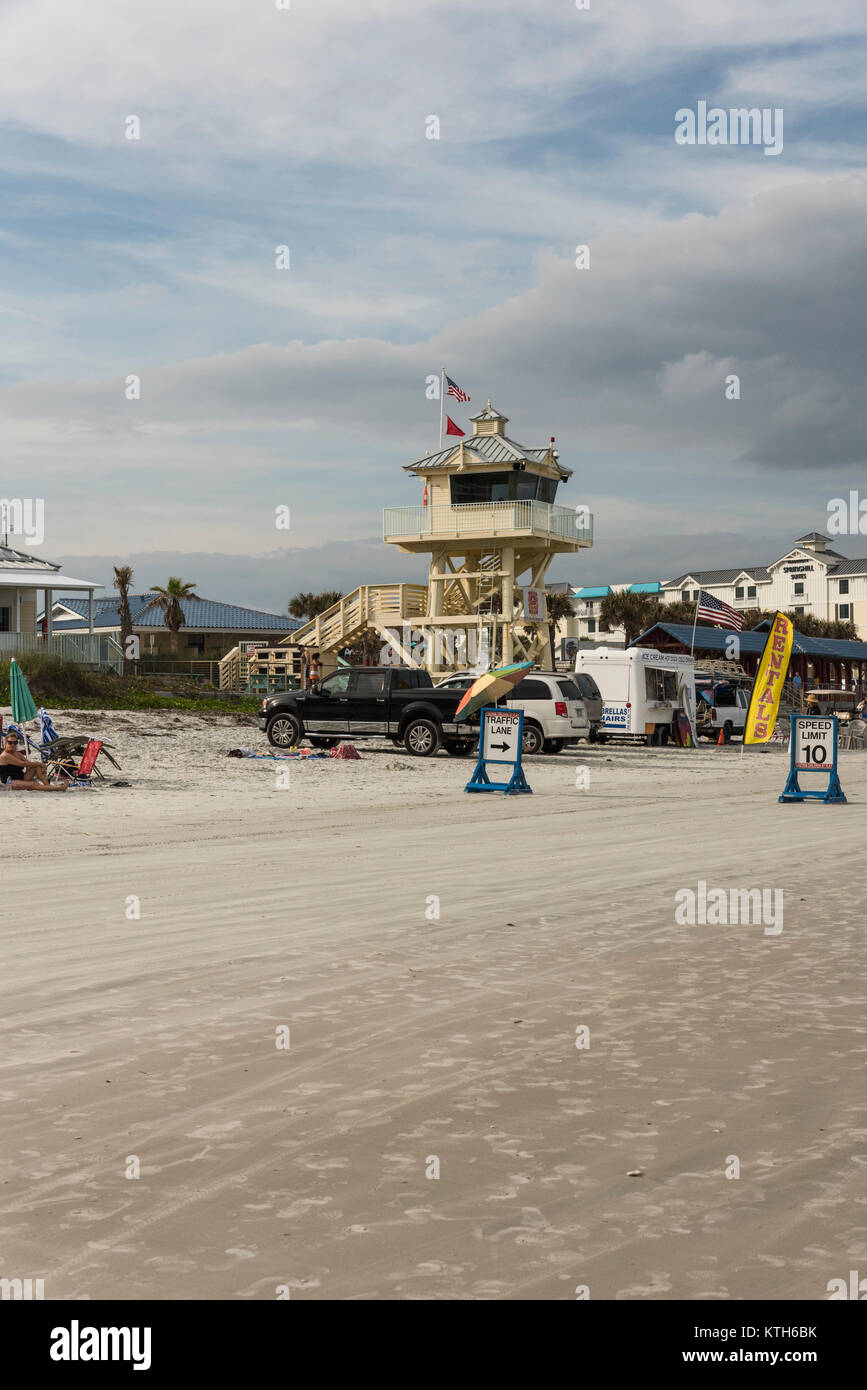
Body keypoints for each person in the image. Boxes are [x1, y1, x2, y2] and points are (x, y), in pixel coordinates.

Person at [0, 730, 67, 790]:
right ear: (5, 743)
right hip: (9, 782)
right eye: (10, 742)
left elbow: (28, 763)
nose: (13, 745)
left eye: (15, 743)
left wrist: (41, 769)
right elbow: (23, 764)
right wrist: (41, 764)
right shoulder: (5, 756)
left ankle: (47, 785)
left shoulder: (17, 753)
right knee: (33, 784)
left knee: (37, 767)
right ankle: (58, 788)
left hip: (21, 777)